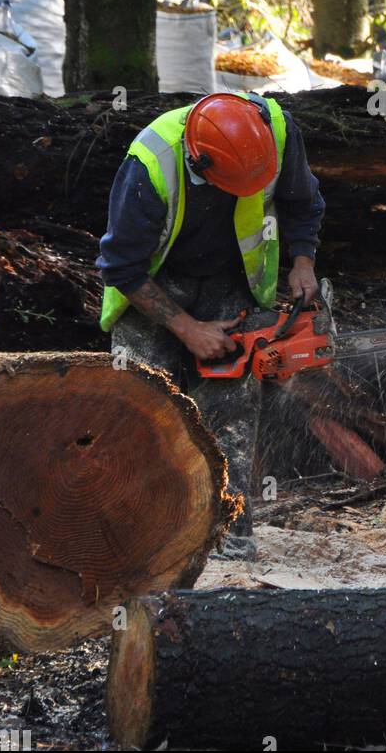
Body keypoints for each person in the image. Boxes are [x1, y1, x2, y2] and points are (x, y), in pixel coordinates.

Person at [97, 90, 324, 555]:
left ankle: (228, 530)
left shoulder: (276, 131)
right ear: (199, 163)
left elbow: (302, 202)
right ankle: (131, 536)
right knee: (141, 404)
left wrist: (303, 264)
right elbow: (120, 268)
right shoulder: (150, 164)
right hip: (155, 281)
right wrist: (186, 328)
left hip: (229, 275)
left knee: (233, 404)